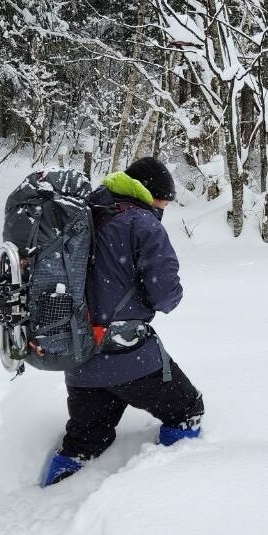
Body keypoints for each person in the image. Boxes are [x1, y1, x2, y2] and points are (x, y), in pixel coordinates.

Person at [42, 156, 203, 486]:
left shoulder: (86, 211)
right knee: (186, 410)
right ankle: (172, 489)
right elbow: (166, 295)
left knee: (85, 441)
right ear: (151, 194)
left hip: (79, 356)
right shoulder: (143, 224)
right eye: (164, 202)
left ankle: (48, 494)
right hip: (128, 356)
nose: (164, 208)